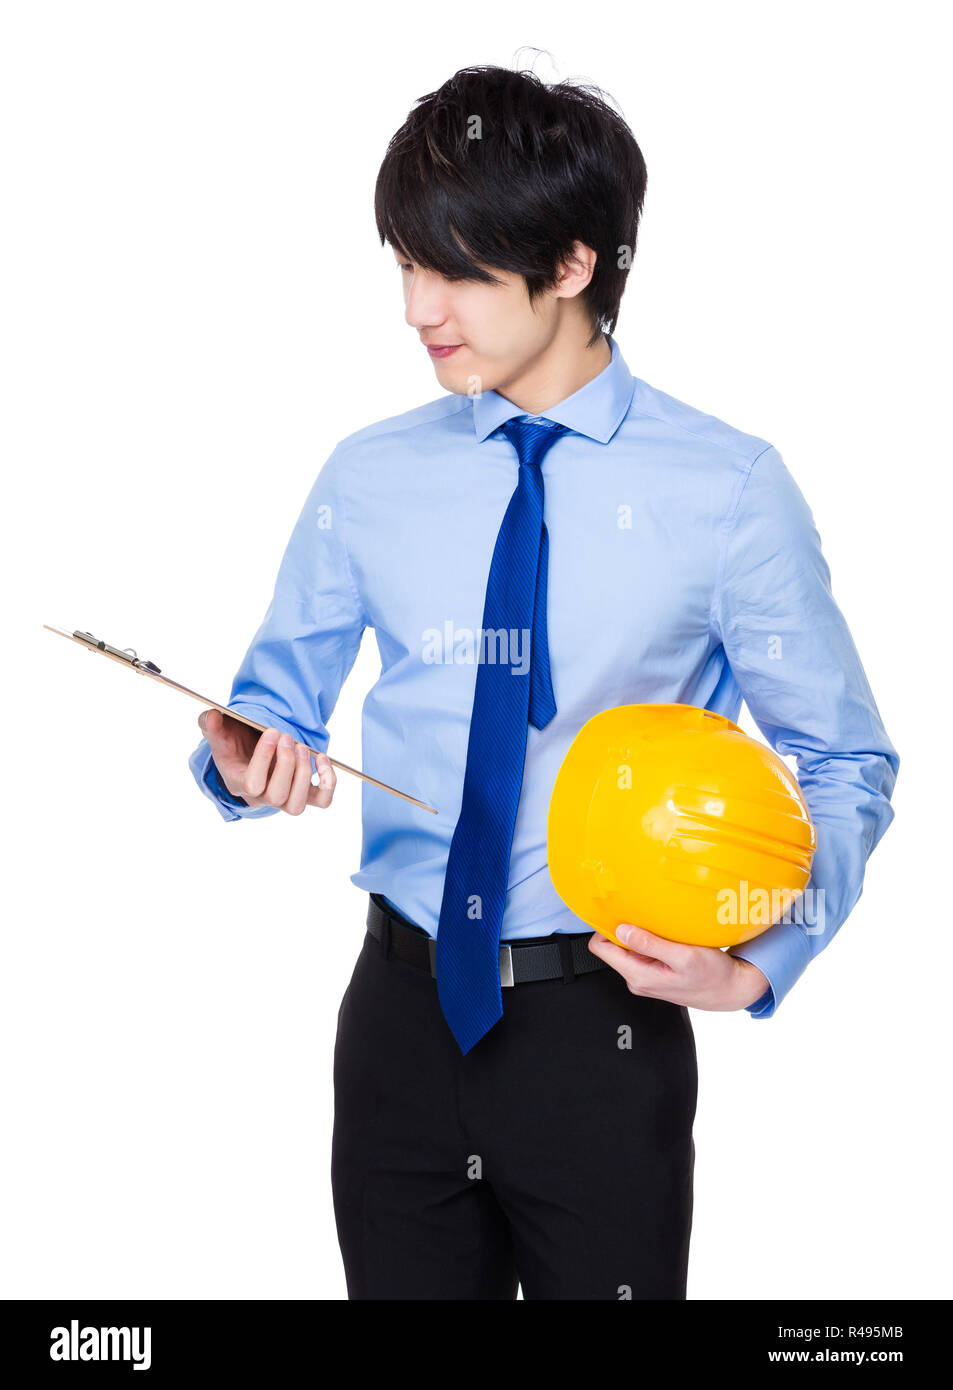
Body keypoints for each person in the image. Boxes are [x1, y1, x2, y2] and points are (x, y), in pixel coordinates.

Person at [189, 64, 899, 1300]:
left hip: (598, 1031)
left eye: (454, 269)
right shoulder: (367, 477)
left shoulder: (725, 490)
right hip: (400, 1023)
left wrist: (762, 957)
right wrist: (244, 762)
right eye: (403, 265)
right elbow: (269, 713)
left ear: (571, 265)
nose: (418, 307)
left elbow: (843, 762)